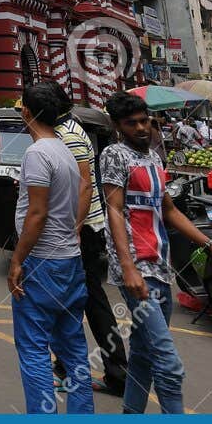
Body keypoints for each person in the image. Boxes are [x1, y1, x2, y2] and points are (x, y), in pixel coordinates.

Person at [101, 91, 212, 415]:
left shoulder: (152, 156)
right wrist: (128, 267)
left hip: (160, 264)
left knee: (143, 353)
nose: (140, 128)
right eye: (131, 123)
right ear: (118, 126)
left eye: (144, 121)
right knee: (169, 363)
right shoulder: (114, 155)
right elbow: (114, 210)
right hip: (136, 266)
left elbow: (168, 209)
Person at [7, 81, 92, 415]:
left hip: (44, 264)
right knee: (74, 351)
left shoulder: (37, 152)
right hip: (69, 261)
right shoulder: (64, 150)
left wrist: (17, 260)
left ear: (26, 112)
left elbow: (37, 214)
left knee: (34, 352)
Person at [45, 85, 128, 397]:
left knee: (87, 302)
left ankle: (113, 370)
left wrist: (73, 229)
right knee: (80, 300)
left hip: (84, 231)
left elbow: (84, 187)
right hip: (85, 229)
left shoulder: (66, 135)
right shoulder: (70, 128)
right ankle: (70, 365)